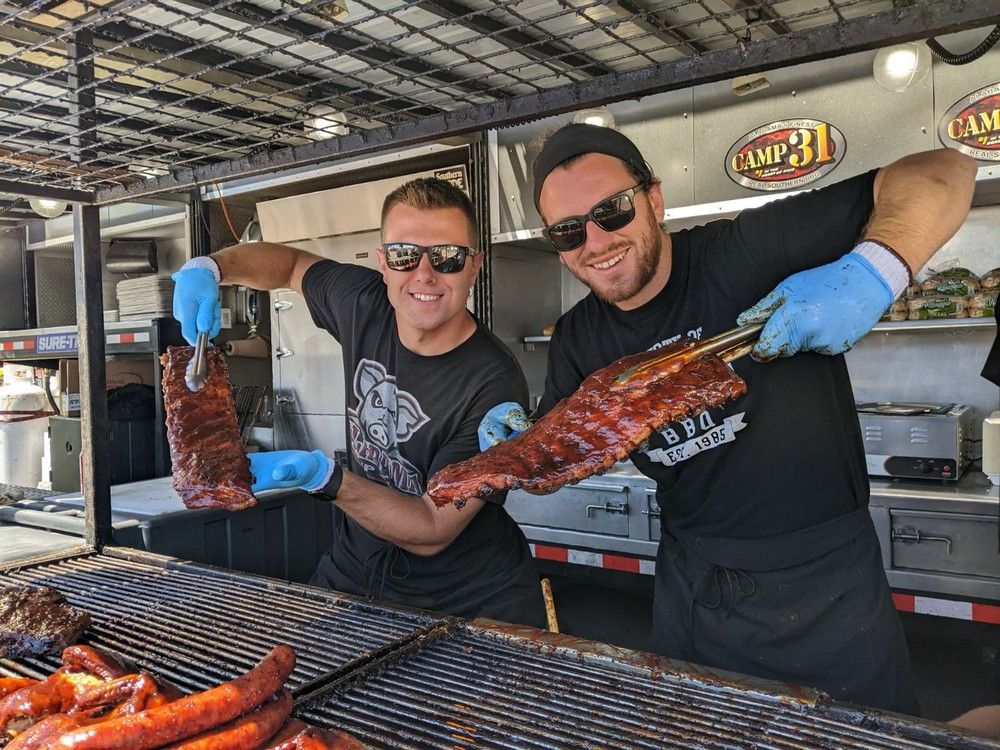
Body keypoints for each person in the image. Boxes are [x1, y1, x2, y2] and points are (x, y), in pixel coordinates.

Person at [480, 123, 977, 713]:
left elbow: (947, 171)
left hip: (827, 584)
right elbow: (571, 448)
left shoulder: (745, 251)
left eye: (612, 211)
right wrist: (527, 444)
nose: (595, 240)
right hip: (694, 586)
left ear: (654, 199)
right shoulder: (578, 338)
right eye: (567, 230)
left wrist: (876, 271)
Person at [172, 177, 546, 627]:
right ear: (382, 262)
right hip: (357, 570)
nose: (424, 275)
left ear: (473, 267)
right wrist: (210, 268)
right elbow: (290, 264)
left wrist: (324, 477)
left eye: (447, 257)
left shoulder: (493, 384)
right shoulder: (363, 301)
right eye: (405, 255)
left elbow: (432, 528)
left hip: (467, 599)